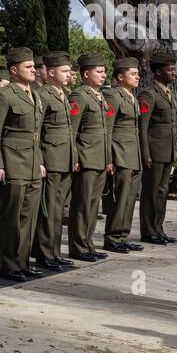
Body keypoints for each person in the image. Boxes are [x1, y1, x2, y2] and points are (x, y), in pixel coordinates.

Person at [0, 46, 46, 280]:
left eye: (34, 66)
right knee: (11, 218)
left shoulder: (35, 94)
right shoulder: (4, 96)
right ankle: (8, 264)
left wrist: (41, 161)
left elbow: (37, 133)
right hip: (13, 161)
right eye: (29, 66)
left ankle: (22, 261)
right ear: (14, 70)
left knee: (28, 217)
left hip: (33, 162)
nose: (34, 70)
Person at [67, 53, 113, 262]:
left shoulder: (98, 95)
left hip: (100, 158)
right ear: (86, 74)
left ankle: (88, 244)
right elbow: (72, 131)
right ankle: (78, 247)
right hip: (86, 158)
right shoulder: (79, 96)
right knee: (82, 204)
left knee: (94, 206)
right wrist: (75, 158)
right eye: (99, 71)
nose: (104, 75)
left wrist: (108, 158)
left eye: (104, 71)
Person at [33, 50, 76, 271]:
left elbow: (69, 130)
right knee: (49, 209)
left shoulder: (61, 94)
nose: (69, 74)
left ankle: (55, 251)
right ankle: (44, 253)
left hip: (65, 159)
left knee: (59, 209)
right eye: (65, 71)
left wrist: (74, 157)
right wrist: (40, 160)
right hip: (50, 159)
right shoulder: (44, 95)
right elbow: (36, 132)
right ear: (51, 72)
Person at [103, 57, 144, 254]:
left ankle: (122, 235)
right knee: (119, 198)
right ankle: (112, 237)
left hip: (132, 153)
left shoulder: (130, 96)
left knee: (129, 198)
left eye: (137, 74)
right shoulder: (113, 96)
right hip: (120, 153)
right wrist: (109, 158)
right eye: (133, 74)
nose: (138, 77)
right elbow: (108, 130)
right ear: (120, 77)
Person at [138, 51, 177, 244]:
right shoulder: (149, 93)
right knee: (151, 192)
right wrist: (145, 153)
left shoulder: (167, 92)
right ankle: (149, 231)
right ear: (158, 72)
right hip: (154, 151)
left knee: (162, 192)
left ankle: (158, 228)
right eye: (169, 70)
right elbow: (143, 126)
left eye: (174, 69)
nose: (174, 73)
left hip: (166, 150)